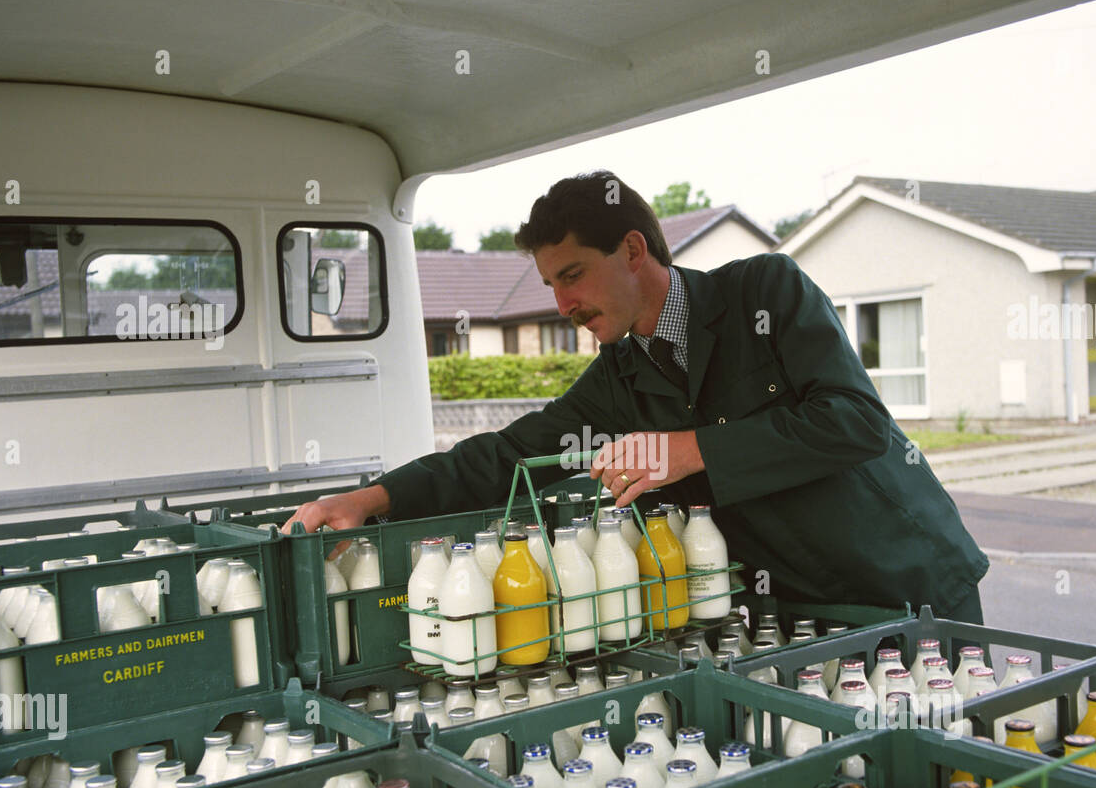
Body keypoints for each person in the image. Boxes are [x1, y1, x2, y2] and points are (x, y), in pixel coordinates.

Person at [283, 171, 988, 621]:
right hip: (791, 608)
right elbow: (504, 454)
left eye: (573, 275)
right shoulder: (618, 378)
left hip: (907, 585)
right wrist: (370, 500)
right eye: (551, 286)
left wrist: (690, 450)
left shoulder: (763, 294)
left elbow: (854, 423)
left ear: (631, 251)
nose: (562, 303)